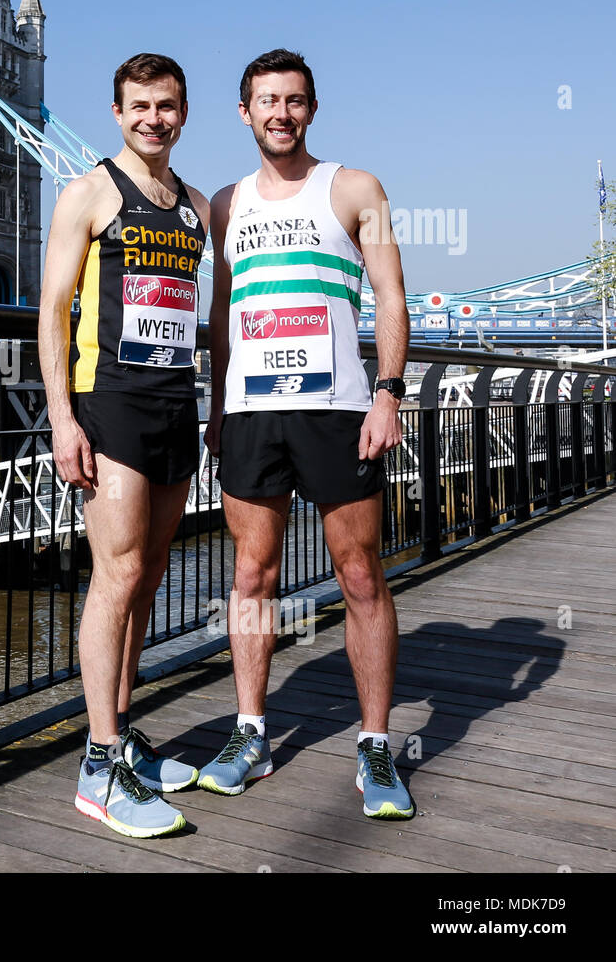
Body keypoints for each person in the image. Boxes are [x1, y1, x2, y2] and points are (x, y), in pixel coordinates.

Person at [200, 48, 414, 819]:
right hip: (252, 413)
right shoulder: (222, 205)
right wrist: (218, 405)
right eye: (266, 100)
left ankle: (377, 746)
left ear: (311, 110)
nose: (280, 113)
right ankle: (250, 732)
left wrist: (387, 393)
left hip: (338, 408)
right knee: (252, 576)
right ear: (244, 112)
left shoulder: (358, 188)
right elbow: (222, 315)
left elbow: (391, 297)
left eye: (293, 100)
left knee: (360, 574)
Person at [39, 53, 210, 838]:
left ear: (183, 112)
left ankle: (123, 733)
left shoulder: (196, 207)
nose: (153, 119)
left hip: (176, 406)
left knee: (149, 577)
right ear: (116, 113)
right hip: (108, 405)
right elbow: (53, 309)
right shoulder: (88, 192)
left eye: (166, 106)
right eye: (139, 106)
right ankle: (99, 763)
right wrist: (61, 418)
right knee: (117, 575)